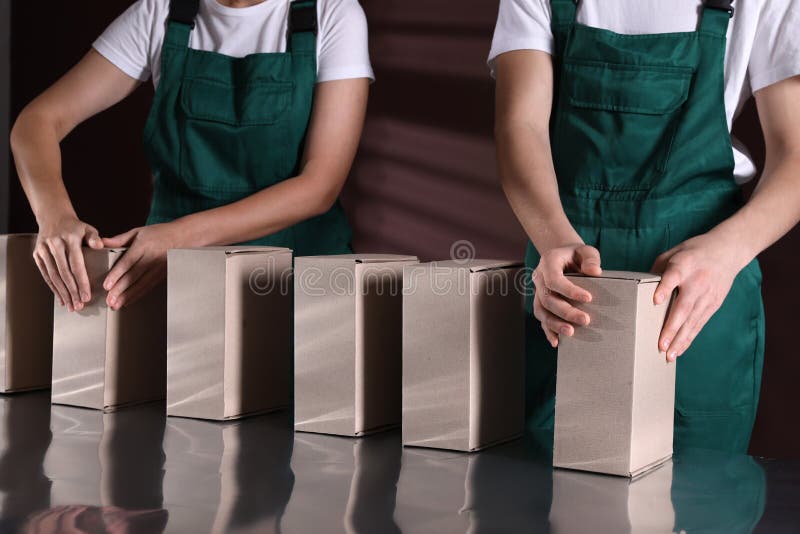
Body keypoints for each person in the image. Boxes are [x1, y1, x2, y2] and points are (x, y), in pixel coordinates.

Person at [490, 0, 800, 452]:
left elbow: (795, 156)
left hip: (702, 282)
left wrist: (725, 253)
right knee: (550, 481)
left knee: (700, 486)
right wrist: (555, 241)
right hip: (568, 277)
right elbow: (519, 124)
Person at [10, 0, 372, 312]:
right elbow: (37, 122)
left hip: (302, 288)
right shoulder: (161, 12)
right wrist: (55, 216)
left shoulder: (333, 13)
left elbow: (320, 185)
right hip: (179, 289)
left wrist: (178, 239)